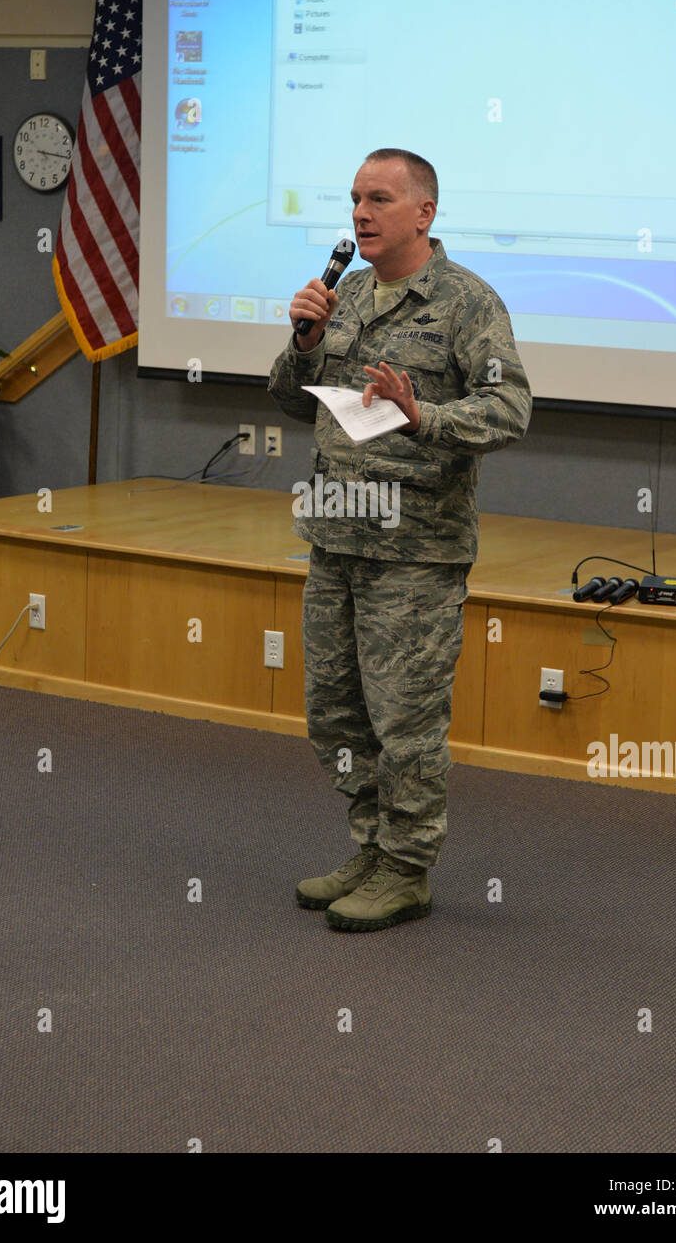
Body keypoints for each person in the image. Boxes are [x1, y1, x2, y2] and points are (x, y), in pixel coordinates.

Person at [267, 148, 532, 933]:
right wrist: (306, 345)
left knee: (404, 723)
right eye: (353, 198)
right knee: (336, 716)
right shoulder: (341, 293)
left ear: (423, 212)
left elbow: (510, 409)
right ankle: (371, 845)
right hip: (334, 534)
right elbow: (289, 398)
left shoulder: (465, 303)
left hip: (414, 551)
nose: (359, 213)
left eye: (378, 198)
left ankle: (407, 871)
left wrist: (426, 419)